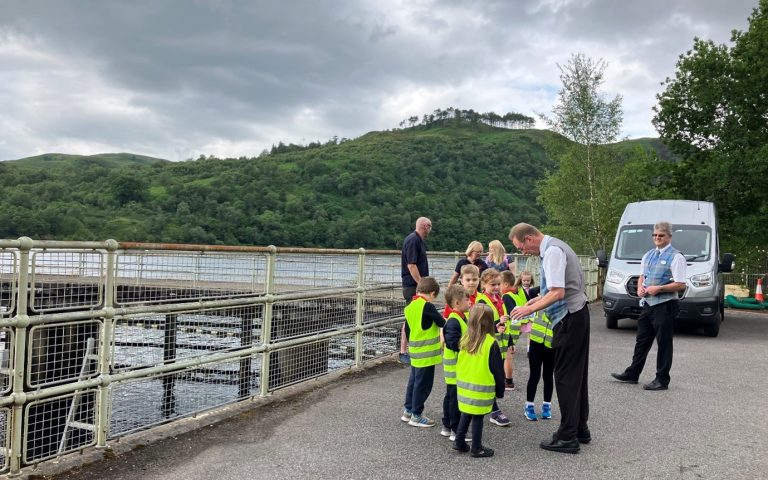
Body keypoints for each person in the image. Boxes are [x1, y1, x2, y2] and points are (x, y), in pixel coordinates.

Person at [509, 223, 590, 454]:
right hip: (577, 314)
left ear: (529, 239)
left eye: (521, 247)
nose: (523, 253)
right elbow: (550, 292)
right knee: (577, 375)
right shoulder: (556, 247)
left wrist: (527, 311)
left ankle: (567, 437)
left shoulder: (552, 252)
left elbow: (557, 292)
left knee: (564, 376)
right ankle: (580, 429)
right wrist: (533, 302)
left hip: (569, 318)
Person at [611, 221, 687, 391]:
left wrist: (659, 288)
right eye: (655, 235)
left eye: (661, 235)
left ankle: (662, 379)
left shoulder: (676, 257)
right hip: (648, 304)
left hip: (666, 305)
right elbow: (642, 276)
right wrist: (640, 287)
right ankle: (632, 373)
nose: (657, 238)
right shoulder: (649, 255)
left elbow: (681, 284)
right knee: (642, 340)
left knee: (664, 343)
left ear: (669, 237)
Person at [452, 304, 505, 458]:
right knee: (478, 418)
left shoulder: (465, 338)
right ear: (490, 323)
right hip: (481, 389)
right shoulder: (490, 343)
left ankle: (459, 441)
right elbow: (498, 372)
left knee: (466, 413)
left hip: (464, 387)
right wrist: (500, 391)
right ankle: (477, 448)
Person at [401, 277, 444, 427]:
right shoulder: (427, 306)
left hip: (415, 351)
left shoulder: (410, 306)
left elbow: (407, 329)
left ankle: (408, 410)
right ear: (432, 293)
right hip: (427, 354)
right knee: (423, 385)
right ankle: (417, 415)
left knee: (413, 382)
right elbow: (441, 322)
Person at [475, 268, 511, 426]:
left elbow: (503, 323)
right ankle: (494, 410)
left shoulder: (499, 299)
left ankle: (491, 407)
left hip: (499, 345)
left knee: (497, 376)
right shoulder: (482, 302)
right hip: (488, 345)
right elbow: (480, 325)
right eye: (492, 284)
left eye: (498, 284)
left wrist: (509, 342)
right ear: (483, 284)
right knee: (492, 377)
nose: (496, 287)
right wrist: (496, 327)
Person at [440, 285, 472, 441]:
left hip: (455, 367)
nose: (470, 302)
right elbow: (452, 342)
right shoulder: (454, 320)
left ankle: (447, 425)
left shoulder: (459, 317)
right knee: (455, 399)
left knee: (450, 397)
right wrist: (468, 347)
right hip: (455, 367)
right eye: (467, 299)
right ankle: (455, 429)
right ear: (458, 303)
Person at [400, 217, 432, 364]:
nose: (430, 230)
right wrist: (421, 284)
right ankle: (404, 352)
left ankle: (407, 350)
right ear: (425, 226)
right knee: (411, 318)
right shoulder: (413, 240)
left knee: (412, 318)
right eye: (430, 227)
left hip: (414, 286)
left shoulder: (416, 240)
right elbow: (411, 265)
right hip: (413, 286)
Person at [524, 309, 555, 422]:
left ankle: (547, 406)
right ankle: (529, 405)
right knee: (534, 375)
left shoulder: (559, 305)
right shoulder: (541, 299)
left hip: (551, 345)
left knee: (548, 376)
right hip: (536, 343)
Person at [500, 270, 527, 390]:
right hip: (517, 329)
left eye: (498, 284)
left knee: (507, 357)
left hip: (509, 329)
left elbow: (512, 312)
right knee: (508, 355)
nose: (497, 287)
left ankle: (508, 381)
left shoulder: (506, 296)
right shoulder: (516, 295)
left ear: (505, 284)